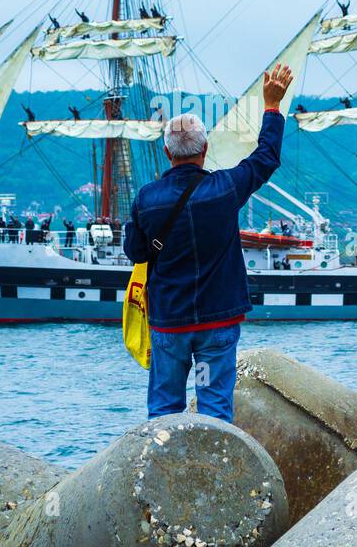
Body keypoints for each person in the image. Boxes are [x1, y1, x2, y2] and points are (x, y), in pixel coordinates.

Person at [123, 63, 294, 422]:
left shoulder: (147, 199)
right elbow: (266, 157)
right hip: (217, 323)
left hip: (170, 323)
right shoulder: (226, 189)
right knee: (215, 406)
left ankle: (165, 472)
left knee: (165, 408)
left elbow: (136, 252)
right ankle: (213, 474)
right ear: (205, 149)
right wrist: (272, 106)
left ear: (168, 154)